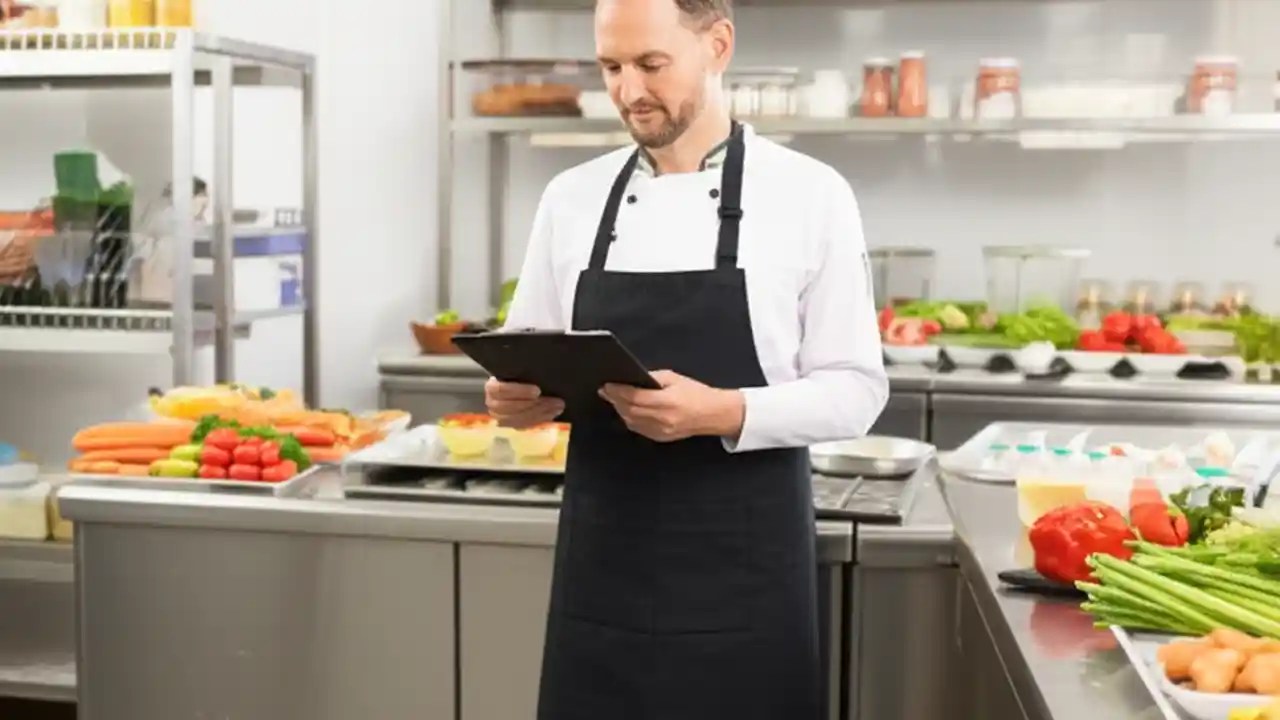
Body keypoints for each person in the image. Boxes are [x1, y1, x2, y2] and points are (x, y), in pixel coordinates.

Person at [486, 0, 889, 717]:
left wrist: (725, 411)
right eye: (611, 67)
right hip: (603, 568)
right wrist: (515, 401)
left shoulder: (810, 193)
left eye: (651, 64)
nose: (629, 91)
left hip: (746, 575)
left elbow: (856, 391)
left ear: (718, 44)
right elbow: (532, 354)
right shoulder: (571, 198)